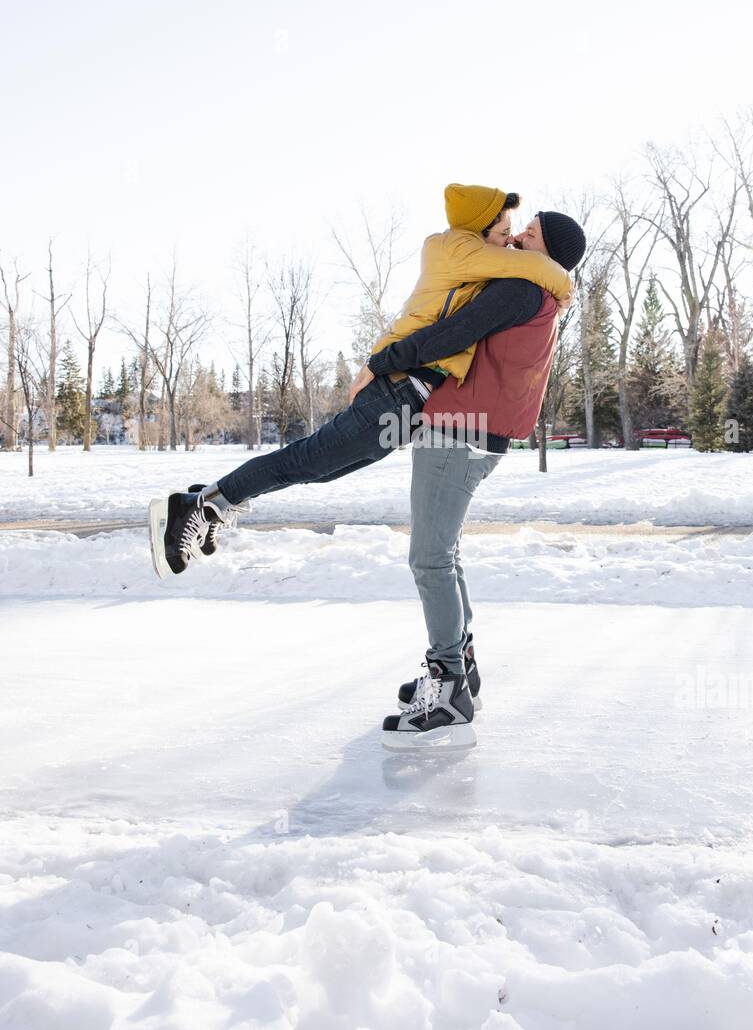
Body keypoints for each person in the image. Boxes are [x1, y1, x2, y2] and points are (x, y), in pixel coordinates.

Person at [147, 185, 573, 578]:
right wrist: (380, 363)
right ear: (480, 230)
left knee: (320, 468)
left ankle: (214, 501)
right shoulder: (461, 250)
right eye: (505, 231)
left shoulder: (483, 266)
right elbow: (491, 300)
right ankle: (201, 505)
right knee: (307, 459)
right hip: (400, 388)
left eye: (521, 233)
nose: (512, 240)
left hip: (411, 398)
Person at [374, 210, 587, 748]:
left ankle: (446, 688)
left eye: (530, 233)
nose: (516, 236)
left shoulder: (520, 288)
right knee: (444, 552)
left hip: (460, 430)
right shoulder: (536, 291)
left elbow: (456, 331)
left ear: (548, 253)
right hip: (473, 430)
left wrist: (391, 357)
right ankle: (460, 668)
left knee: (428, 557)